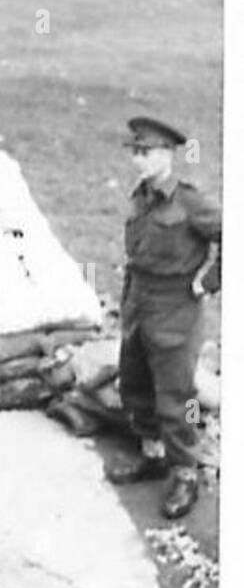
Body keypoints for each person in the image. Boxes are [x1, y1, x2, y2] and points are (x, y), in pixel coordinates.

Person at [105, 116, 221, 519]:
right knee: (135, 384)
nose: (139, 160)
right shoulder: (140, 196)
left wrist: (208, 282)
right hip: (139, 301)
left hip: (176, 309)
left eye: (147, 152)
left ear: (167, 155)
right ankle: (153, 455)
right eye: (135, 152)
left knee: (179, 397)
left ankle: (185, 473)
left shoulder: (190, 202)